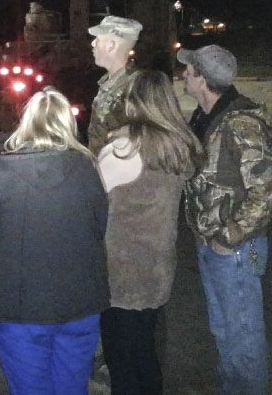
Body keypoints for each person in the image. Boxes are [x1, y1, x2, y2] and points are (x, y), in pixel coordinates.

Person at [0, 87, 110, 395]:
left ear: (26, 122)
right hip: (79, 301)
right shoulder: (87, 167)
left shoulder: (3, 169)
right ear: (68, 124)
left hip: (20, 304)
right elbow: (99, 227)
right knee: (72, 387)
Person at [178, 44, 272, 395]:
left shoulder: (241, 124)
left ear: (202, 79)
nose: (184, 74)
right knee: (224, 331)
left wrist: (227, 238)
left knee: (243, 337)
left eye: (189, 70)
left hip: (234, 250)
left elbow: (265, 193)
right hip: (211, 243)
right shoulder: (206, 117)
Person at [97, 70, 204, 395]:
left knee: (120, 357)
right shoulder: (178, 147)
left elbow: (92, 202)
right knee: (145, 350)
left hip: (121, 271)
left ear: (134, 102)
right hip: (158, 265)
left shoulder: (122, 150)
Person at [87, 15, 144, 153]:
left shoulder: (135, 87)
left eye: (98, 39)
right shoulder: (109, 82)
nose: (93, 44)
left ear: (111, 45)